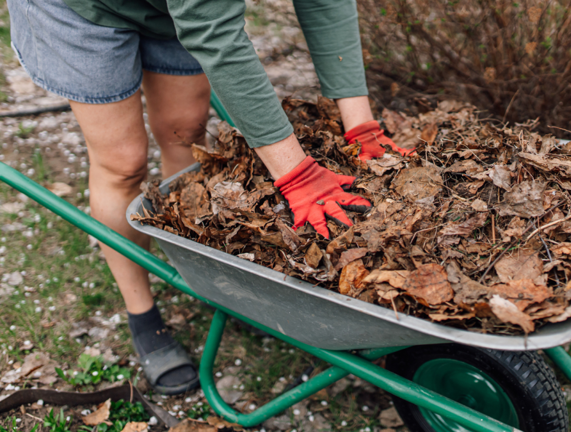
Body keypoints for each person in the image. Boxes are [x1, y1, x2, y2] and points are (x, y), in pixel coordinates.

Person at [7, 0, 413, 395]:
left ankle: (197, 278)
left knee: (186, 132)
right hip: (82, 11)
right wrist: (298, 175)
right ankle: (142, 314)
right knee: (123, 162)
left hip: (172, 10)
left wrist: (361, 126)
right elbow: (214, 35)